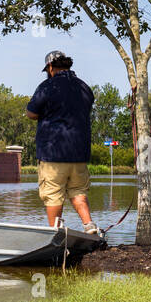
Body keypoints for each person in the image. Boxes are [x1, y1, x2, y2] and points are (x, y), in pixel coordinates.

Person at [26, 50, 100, 234]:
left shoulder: (48, 86)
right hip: (79, 153)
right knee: (78, 191)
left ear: (50, 67)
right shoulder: (84, 87)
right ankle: (89, 226)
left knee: (52, 194)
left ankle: (55, 232)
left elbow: (31, 113)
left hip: (53, 153)